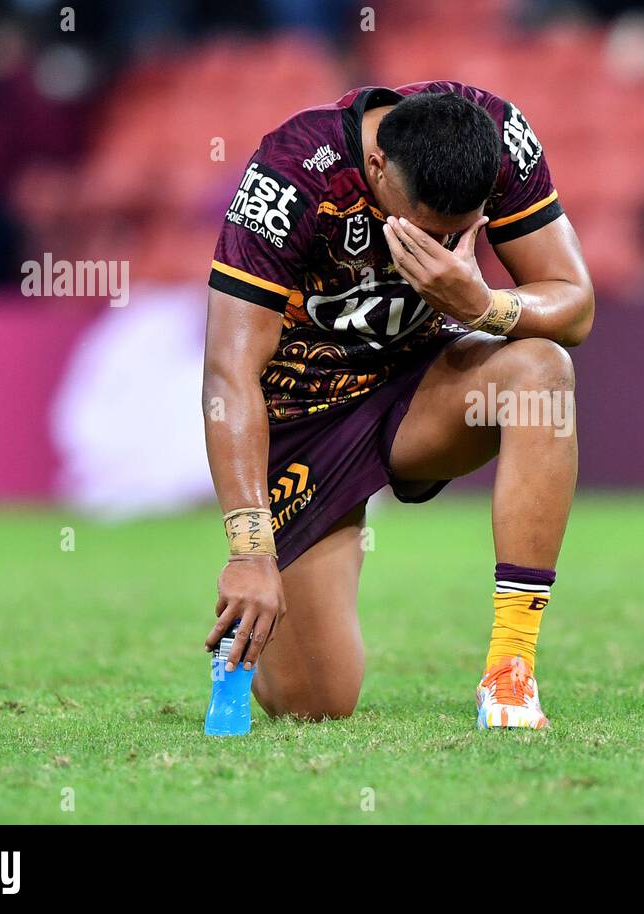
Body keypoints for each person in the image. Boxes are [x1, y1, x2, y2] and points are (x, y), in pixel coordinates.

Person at [202, 82, 593, 729]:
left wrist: (485, 307)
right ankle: (253, 609)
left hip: (421, 386)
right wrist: (249, 549)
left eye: (457, 233)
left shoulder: (500, 137)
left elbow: (574, 303)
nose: (441, 247)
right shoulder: (293, 173)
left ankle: (510, 669)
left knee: (543, 369)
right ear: (378, 167)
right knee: (315, 703)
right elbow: (228, 372)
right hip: (305, 419)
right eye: (425, 227)